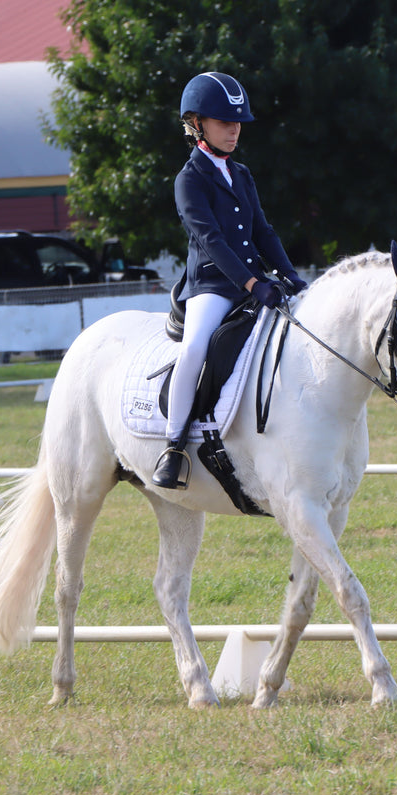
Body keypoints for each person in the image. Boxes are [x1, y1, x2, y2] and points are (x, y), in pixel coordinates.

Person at [151, 72, 307, 489]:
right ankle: (174, 445)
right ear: (197, 123)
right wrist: (252, 285)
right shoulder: (189, 179)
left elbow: (263, 231)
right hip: (212, 286)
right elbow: (212, 240)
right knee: (195, 348)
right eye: (224, 122)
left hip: (255, 279)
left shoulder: (241, 173)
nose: (234, 130)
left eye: (237, 122)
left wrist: (290, 275)